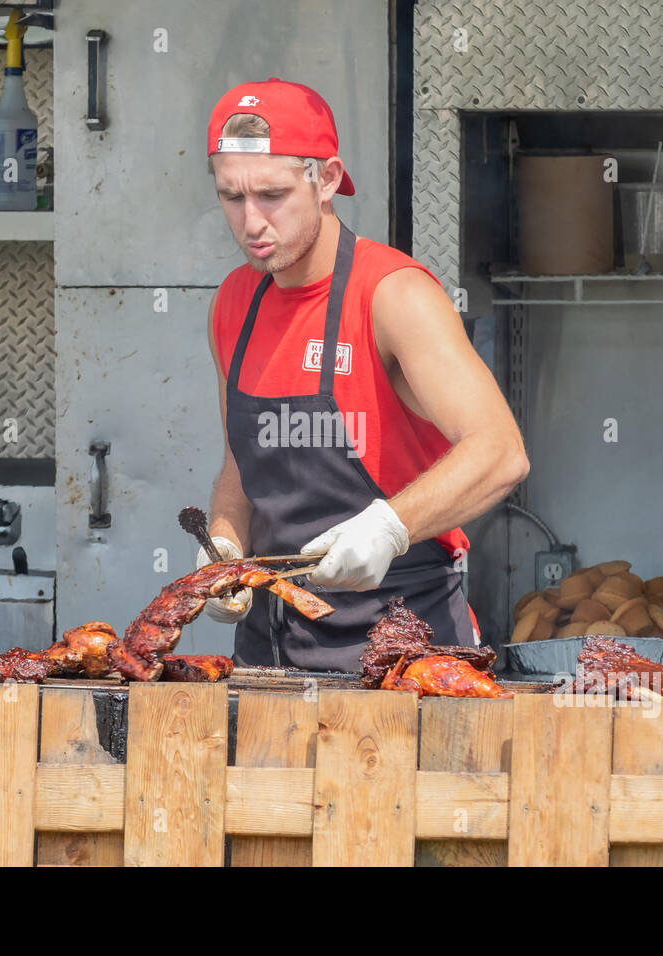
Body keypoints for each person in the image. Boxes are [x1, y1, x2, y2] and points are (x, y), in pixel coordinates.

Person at [200, 77, 529, 671]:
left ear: (325, 179)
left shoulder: (392, 296)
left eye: (272, 195)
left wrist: (390, 528)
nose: (251, 223)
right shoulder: (233, 304)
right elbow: (239, 464)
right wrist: (224, 545)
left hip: (406, 645)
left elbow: (501, 452)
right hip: (268, 655)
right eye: (231, 196)